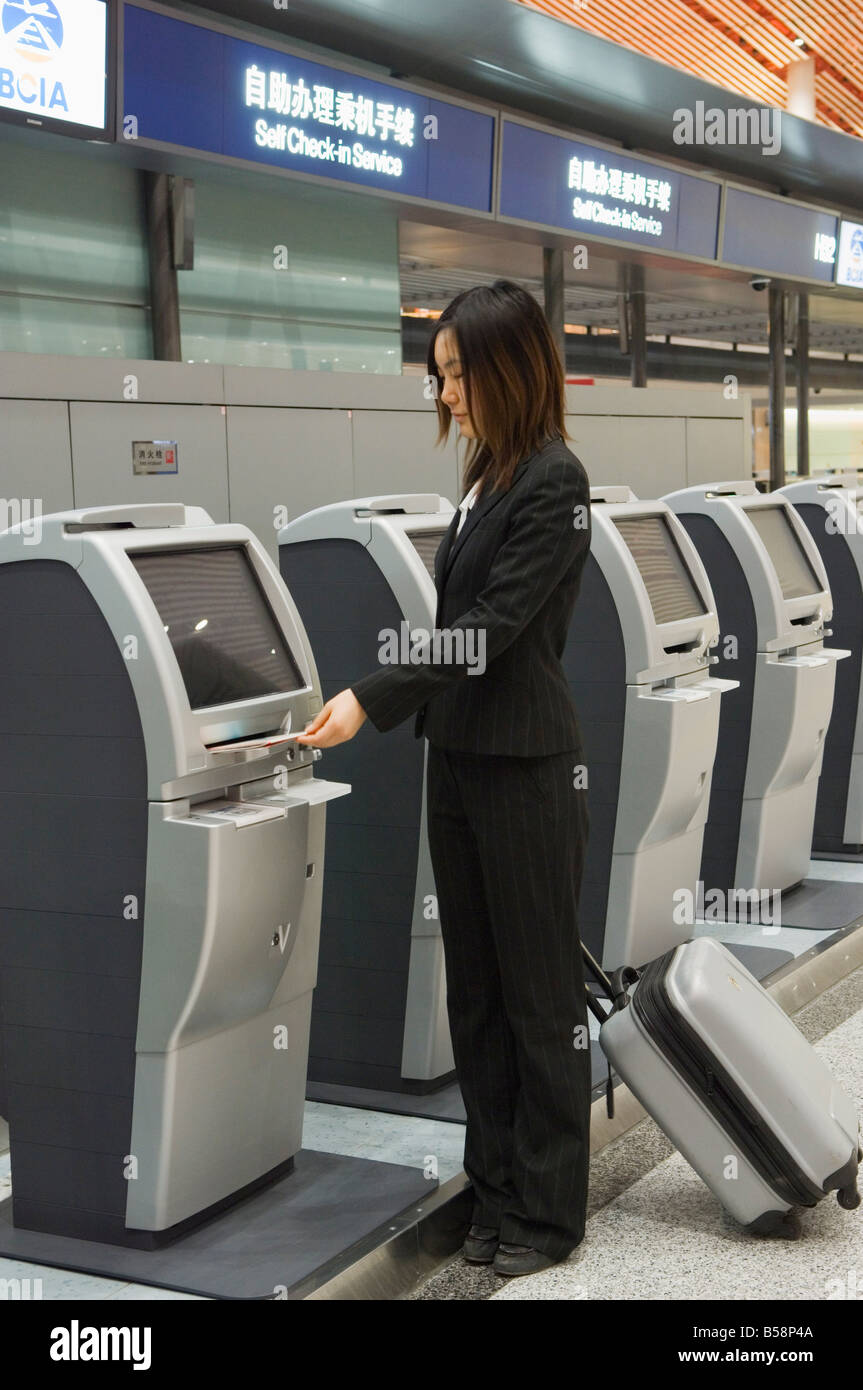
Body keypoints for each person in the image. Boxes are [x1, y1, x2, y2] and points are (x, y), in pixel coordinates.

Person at [295, 279, 592, 1277]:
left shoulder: (554, 480)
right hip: (460, 763)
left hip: (522, 766)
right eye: (440, 375)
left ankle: (546, 1214)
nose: (447, 393)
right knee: (474, 994)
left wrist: (370, 697)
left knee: (534, 996)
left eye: (459, 373)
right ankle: (495, 1190)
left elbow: (486, 630)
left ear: (508, 366)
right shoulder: (486, 475)